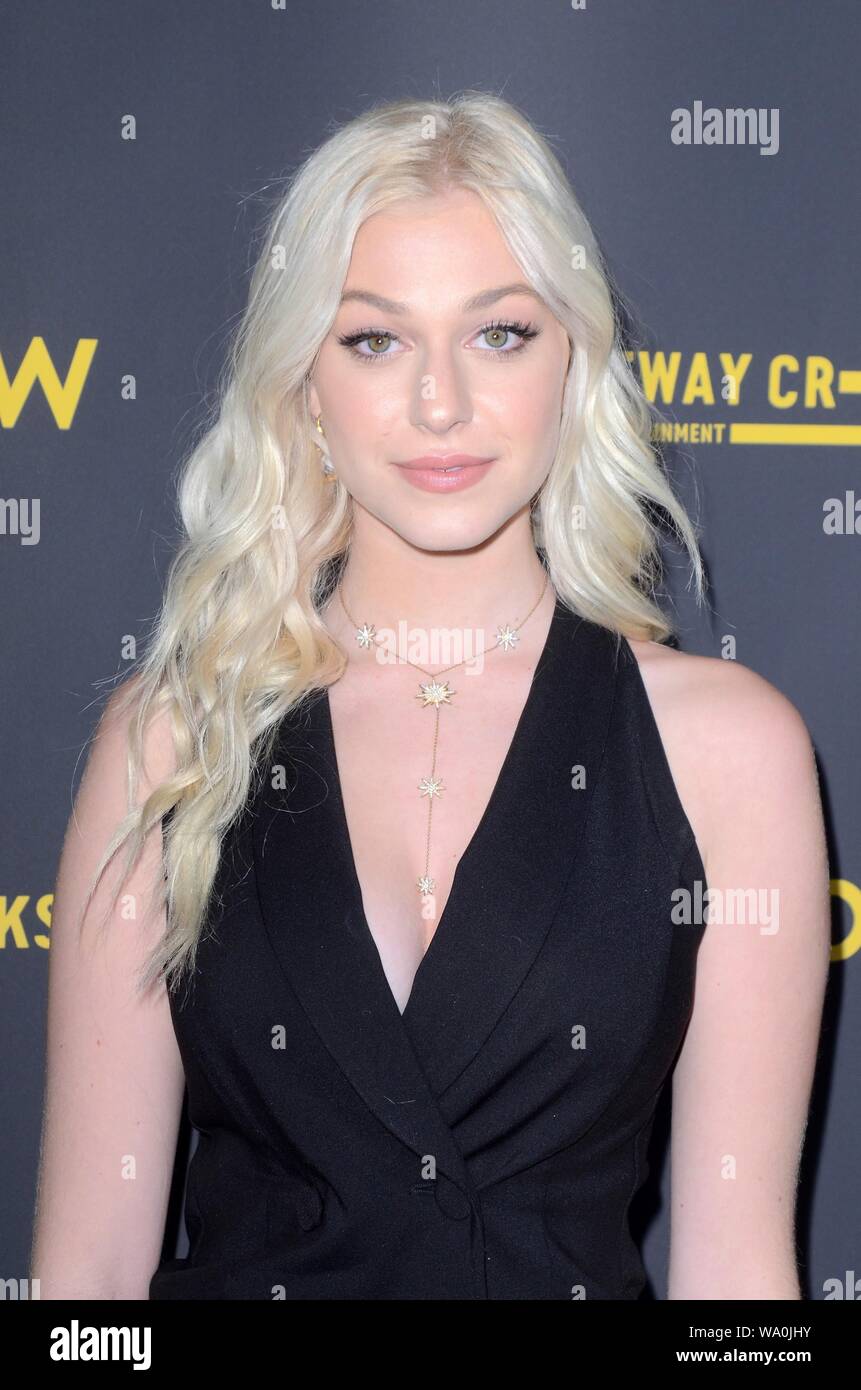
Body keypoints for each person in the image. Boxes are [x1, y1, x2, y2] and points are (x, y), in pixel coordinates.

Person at [30, 92, 831, 1301]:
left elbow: (738, 1282)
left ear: (574, 359)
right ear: (303, 382)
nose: (442, 402)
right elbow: (85, 1283)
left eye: (500, 333)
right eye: (375, 340)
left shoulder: (726, 749)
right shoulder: (173, 740)